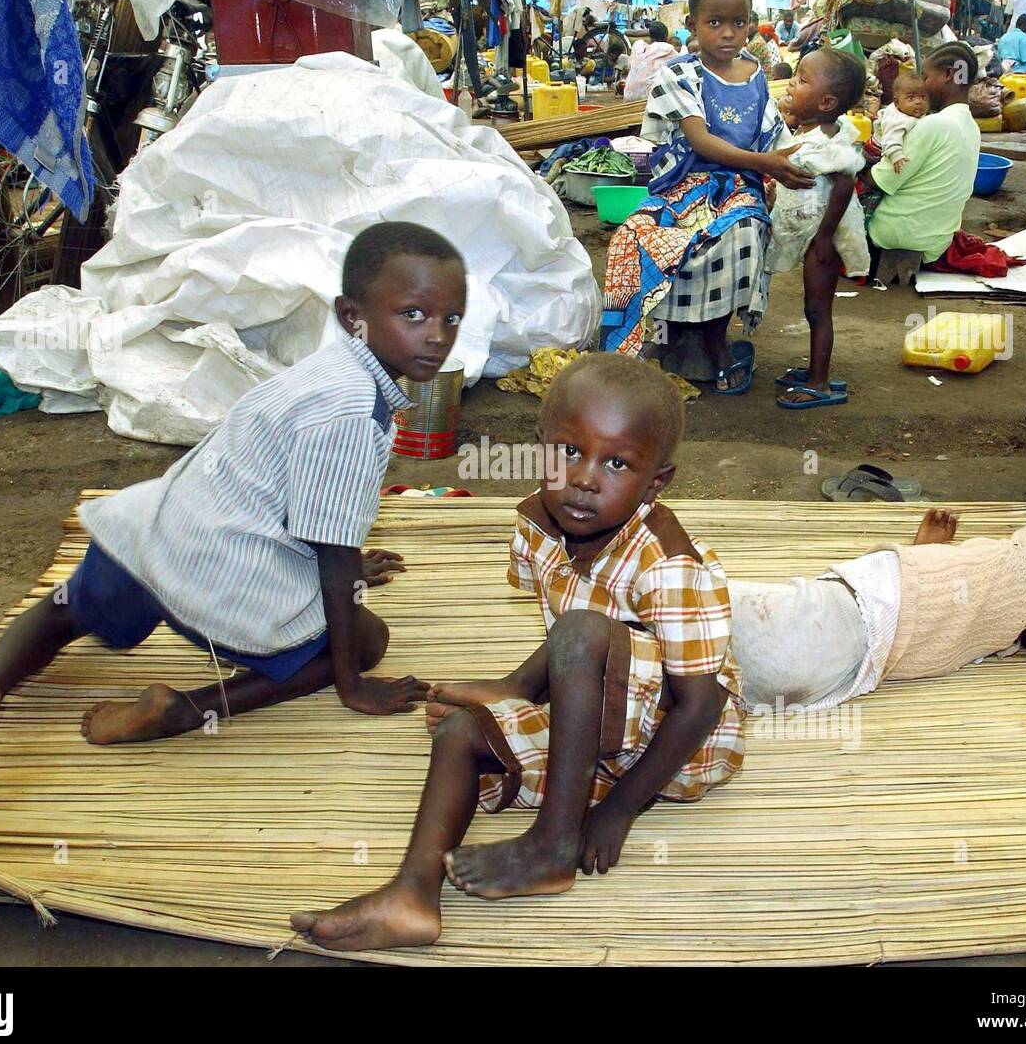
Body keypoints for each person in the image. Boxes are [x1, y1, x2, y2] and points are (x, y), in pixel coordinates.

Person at [0, 222, 467, 822]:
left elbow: (290, 499)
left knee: (57, 615)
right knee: (368, 640)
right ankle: (189, 708)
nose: (436, 337)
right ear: (352, 315)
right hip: (221, 580)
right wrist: (351, 682)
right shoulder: (353, 410)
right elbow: (331, 552)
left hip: (148, 536)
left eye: (451, 319)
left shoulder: (320, 373)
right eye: (414, 314)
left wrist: (341, 558)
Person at [290, 353, 747, 951]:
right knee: (458, 732)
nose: (585, 478)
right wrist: (519, 689)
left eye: (617, 463)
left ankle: (552, 846)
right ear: (540, 450)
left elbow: (701, 703)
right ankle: (411, 895)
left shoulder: (669, 565)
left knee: (586, 629)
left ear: (655, 482)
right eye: (568, 453)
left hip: (681, 744)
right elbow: (564, 635)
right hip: (592, 733)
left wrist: (619, 812)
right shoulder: (536, 526)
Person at [599, 0, 813, 394]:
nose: (728, 34)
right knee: (634, 236)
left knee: (744, 231)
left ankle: (715, 339)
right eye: (715, 23)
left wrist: (822, 153)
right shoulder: (678, 75)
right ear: (692, 25)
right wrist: (766, 163)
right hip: (683, 187)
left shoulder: (756, 80)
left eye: (739, 23)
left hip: (738, 191)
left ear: (751, 24)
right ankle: (659, 338)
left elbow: (777, 140)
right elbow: (701, 140)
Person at [725, 503, 1026, 714]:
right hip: (834, 674)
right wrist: (928, 554)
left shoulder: (1023, 565)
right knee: (710, 663)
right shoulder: (999, 640)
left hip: (829, 621)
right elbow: (928, 616)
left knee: (690, 596)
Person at [767, 47, 869, 410]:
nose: (791, 84)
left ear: (826, 102)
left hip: (824, 240)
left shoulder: (830, 143)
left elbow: (844, 184)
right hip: (814, 234)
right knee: (813, 307)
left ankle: (820, 382)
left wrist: (825, 237)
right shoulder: (816, 131)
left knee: (817, 309)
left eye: (802, 80)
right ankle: (815, 370)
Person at [865, 42, 981, 277]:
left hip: (899, 233)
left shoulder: (934, 124)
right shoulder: (971, 126)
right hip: (937, 239)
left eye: (927, 77)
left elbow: (882, 179)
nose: (924, 87)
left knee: (841, 186)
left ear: (949, 74)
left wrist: (858, 171)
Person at [872, 72, 931, 174]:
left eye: (923, 97)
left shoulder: (909, 113)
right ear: (897, 102)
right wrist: (896, 156)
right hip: (875, 152)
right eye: (911, 98)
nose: (918, 102)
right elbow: (890, 139)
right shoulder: (896, 119)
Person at [622, 20, 678, 101]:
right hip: (649, 99)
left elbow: (629, 65)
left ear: (650, 36)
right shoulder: (668, 49)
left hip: (628, 96)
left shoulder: (638, 46)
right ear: (666, 36)